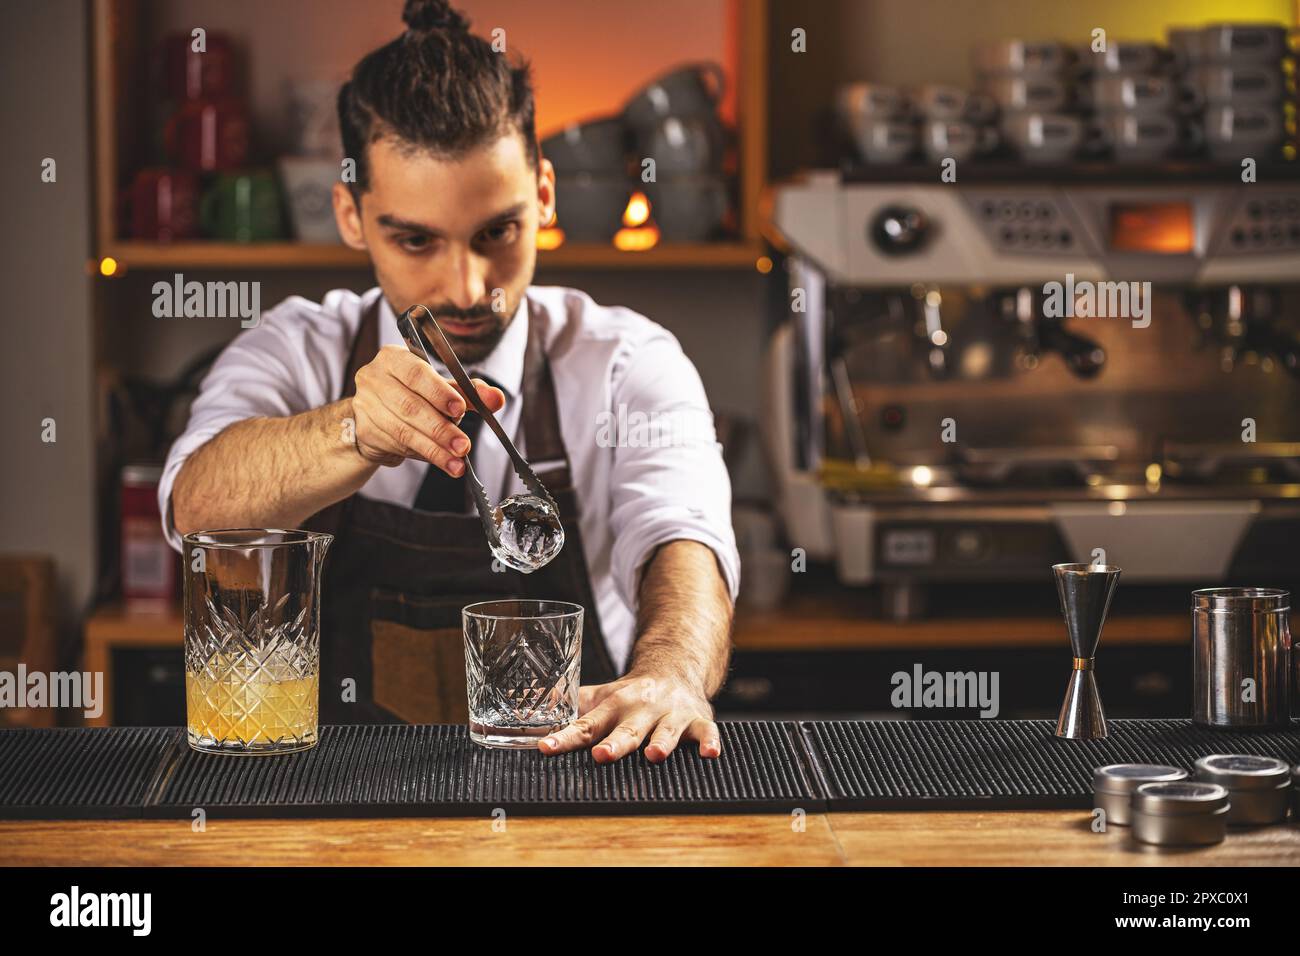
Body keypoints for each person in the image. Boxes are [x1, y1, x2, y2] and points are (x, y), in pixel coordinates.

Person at [161, 0, 739, 763]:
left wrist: (670, 672)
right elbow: (194, 506)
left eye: (496, 232)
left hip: (567, 792)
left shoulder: (629, 361)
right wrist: (353, 431)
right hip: (329, 803)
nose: (467, 287)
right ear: (350, 215)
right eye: (415, 240)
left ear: (544, 195)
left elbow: (682, 536)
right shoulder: (294, 349)